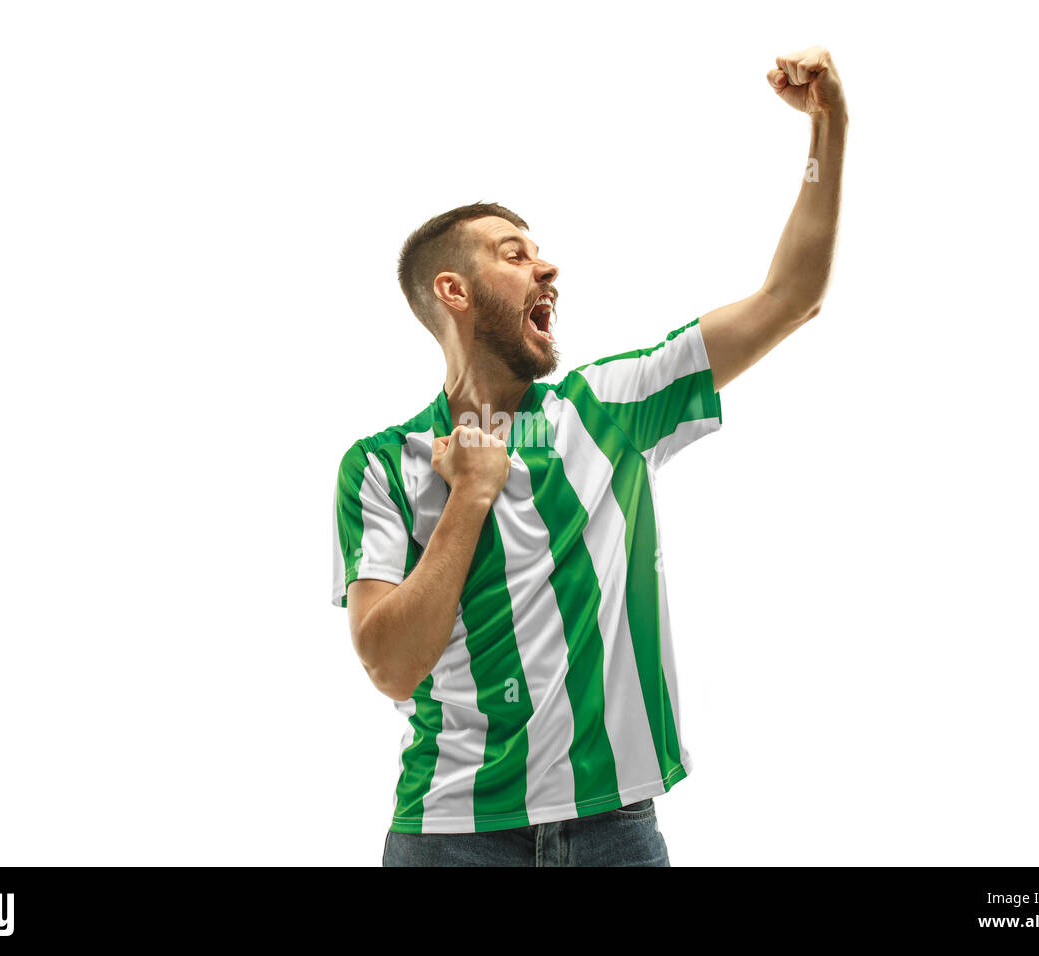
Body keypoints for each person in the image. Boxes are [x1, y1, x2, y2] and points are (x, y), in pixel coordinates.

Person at [330, 46, 847, 866]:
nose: (547, 266)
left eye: (538, 251)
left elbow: (793, 297)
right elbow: (390, 664)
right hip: (448, 840)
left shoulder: (610, 406)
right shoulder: (382, 464)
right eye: (513, 253)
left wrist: (829, 127)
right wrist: (468, 496)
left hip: (616, 832)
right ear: (453, 293)